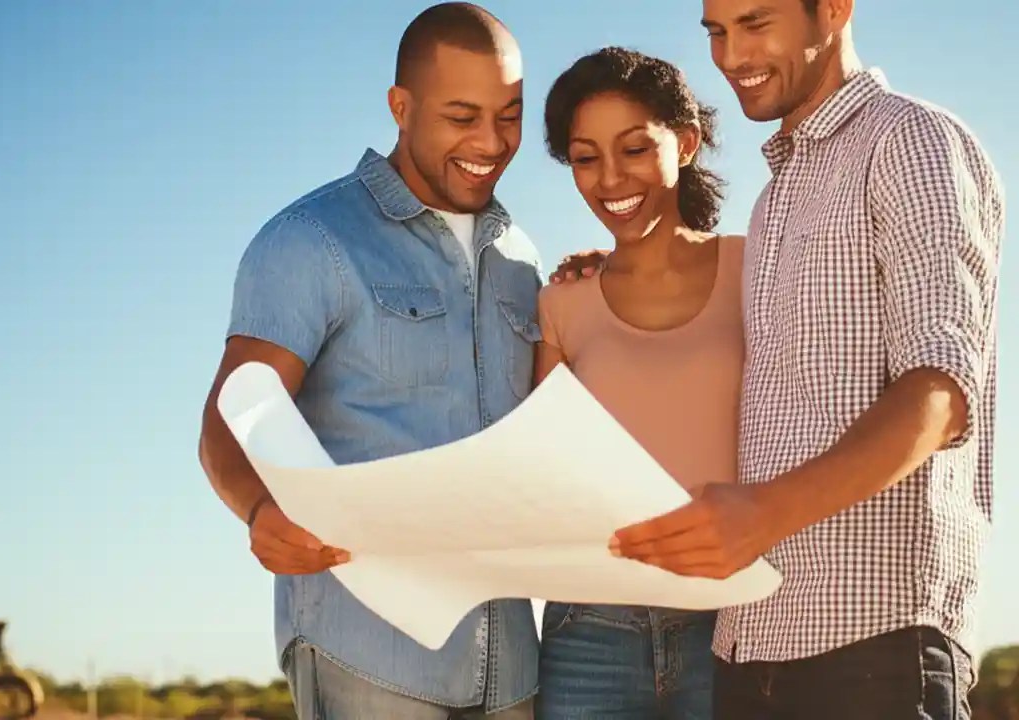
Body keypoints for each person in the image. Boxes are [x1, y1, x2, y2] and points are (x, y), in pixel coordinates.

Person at [548, 1, 1002, 717]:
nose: (731, 57)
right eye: (717, 32)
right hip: (754, 647)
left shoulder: (908, 140)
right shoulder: (775, 200)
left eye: (756, 24)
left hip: (874, 643)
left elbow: (943, 390)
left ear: (834, 9)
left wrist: (764, 513)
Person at [197, 3, 543, 718]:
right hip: (367, 650)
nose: (491, 141)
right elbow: (230, 418)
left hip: (510, 666)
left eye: (508, 116)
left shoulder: (521, 258)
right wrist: (260, 509)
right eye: (462, 116)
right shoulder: (311, 239)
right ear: (400, 107)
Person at [531, 47, 737, 720]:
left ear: (685, 142)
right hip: (589, 630)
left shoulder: (757, 267)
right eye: (585, 158)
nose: (610, 178)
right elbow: (538, 467)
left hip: (730, 620)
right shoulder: (561, 303)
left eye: (635, 149)